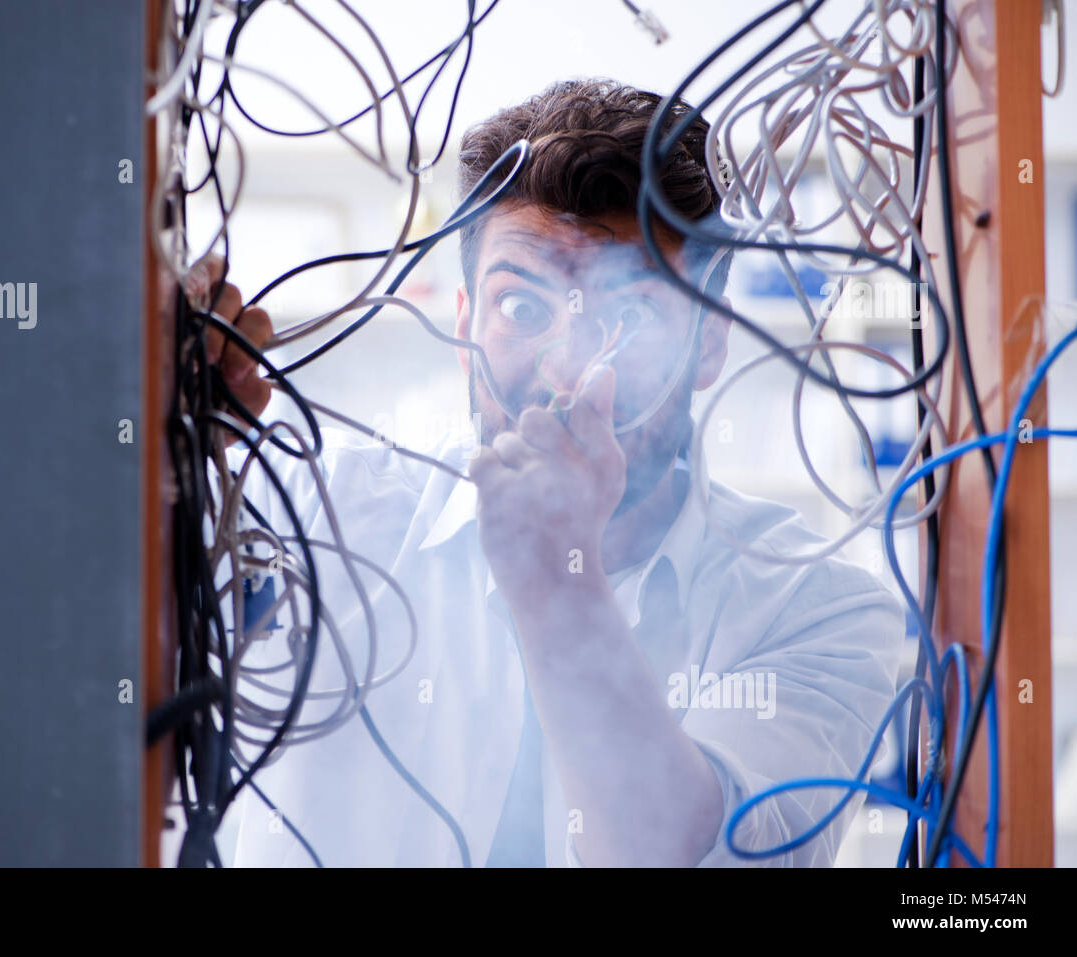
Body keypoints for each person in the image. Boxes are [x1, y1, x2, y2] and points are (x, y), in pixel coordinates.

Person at [189, 78, 903, 867]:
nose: (566, 372)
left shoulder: (821, 617)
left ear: (708, 342)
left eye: (629, 317)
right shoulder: (308, 518)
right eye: (523, 311)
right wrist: (156, 450)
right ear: (464, 326)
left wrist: (559, 579)